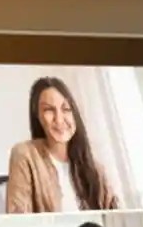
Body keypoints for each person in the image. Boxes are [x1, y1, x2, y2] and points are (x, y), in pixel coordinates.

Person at [7, 77, 119, 213]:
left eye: (66, 109)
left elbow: (116, 214)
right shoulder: (24, 155)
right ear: (38, 116)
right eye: (49, 110)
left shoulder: (96, 169)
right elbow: (18, 218)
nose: (59, 119)